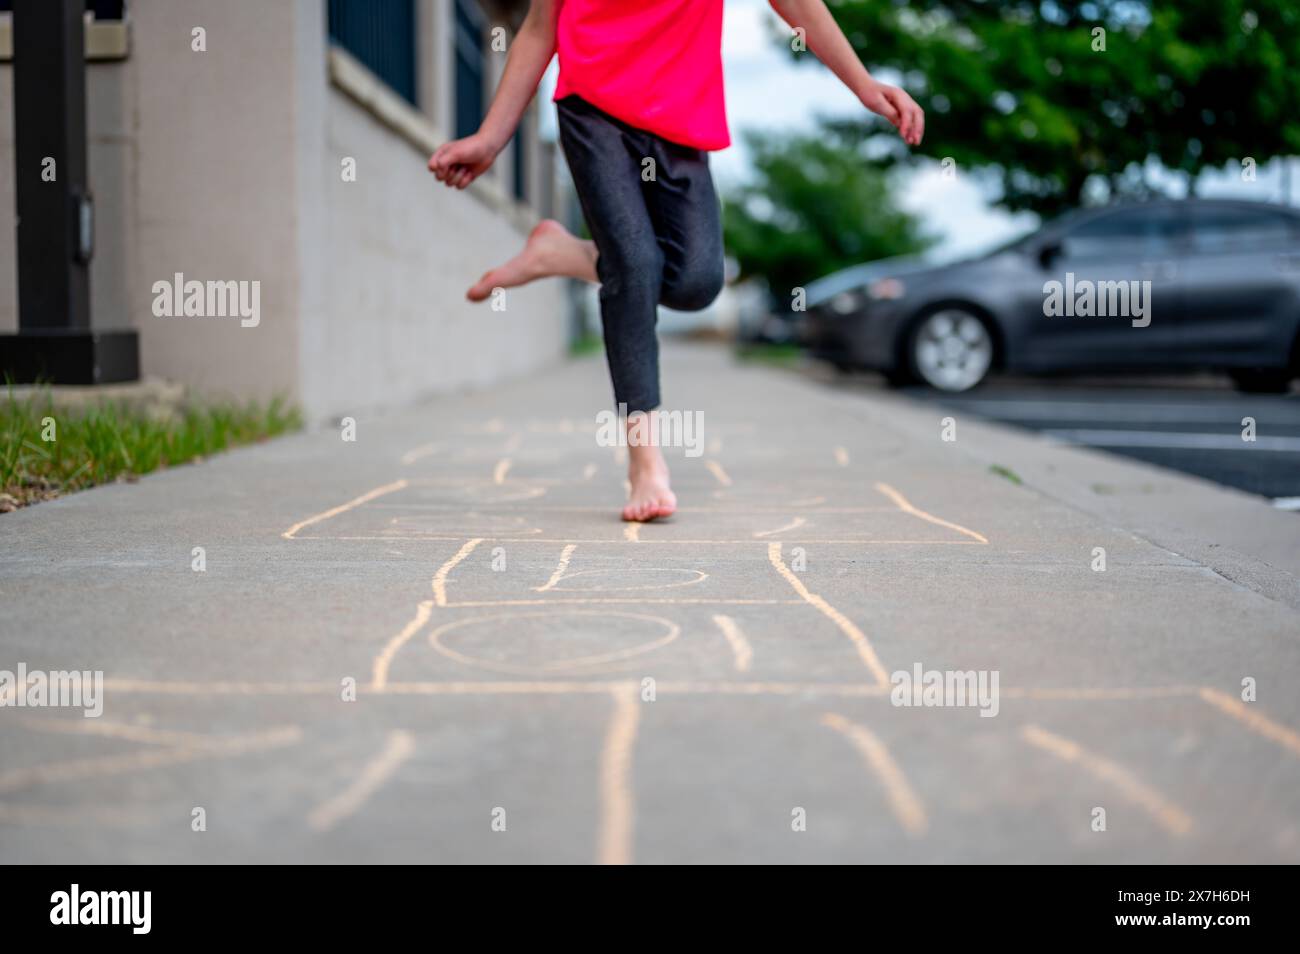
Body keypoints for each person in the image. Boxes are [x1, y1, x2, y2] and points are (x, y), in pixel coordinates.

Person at [429, 0, 924, 522]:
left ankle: (563, 253)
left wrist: (863, 84)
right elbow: (539, 27)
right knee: (636, 266)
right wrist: (490, 138)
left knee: (696, 282)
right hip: (593, 106)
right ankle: (645, 462)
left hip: (680, 115)